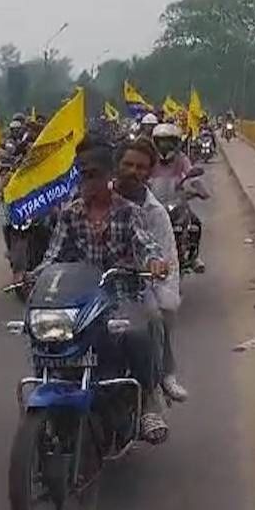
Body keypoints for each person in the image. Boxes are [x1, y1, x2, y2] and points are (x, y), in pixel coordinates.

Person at [33, 137, 171, 443]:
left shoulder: (128, 212)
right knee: (44, 332)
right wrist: (36, 276)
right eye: (80, 173)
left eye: (92, 174)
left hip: (121, 293)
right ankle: (50, 387)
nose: (85, 181)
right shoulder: (69, 213)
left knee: (139, 332)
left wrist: (155, 261)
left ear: (109, 175)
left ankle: (148, 401)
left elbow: (144, 244)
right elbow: (53, 256)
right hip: (79, 297)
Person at [113, 138, 189, 403]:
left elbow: (164, 253)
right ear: (116, 166)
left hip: (137, 284)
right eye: (128, 165)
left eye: (141, 167)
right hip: (93, 286)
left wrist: (162, 281)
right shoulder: (93, 200)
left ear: (150, 171)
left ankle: (155, 389)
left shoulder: (154, 212)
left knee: (156, 317)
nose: (134, 171)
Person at [150, 122, 208, 273]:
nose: (165, 145)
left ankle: (194, 256)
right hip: (154, 202)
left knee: (195, 223)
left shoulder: (181, 158)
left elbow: (192, 175)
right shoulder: (150, 160)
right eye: (161, 141)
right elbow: (141, 176)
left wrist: (200, 190)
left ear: (175, 143)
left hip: (176, 199)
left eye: (168, 141)